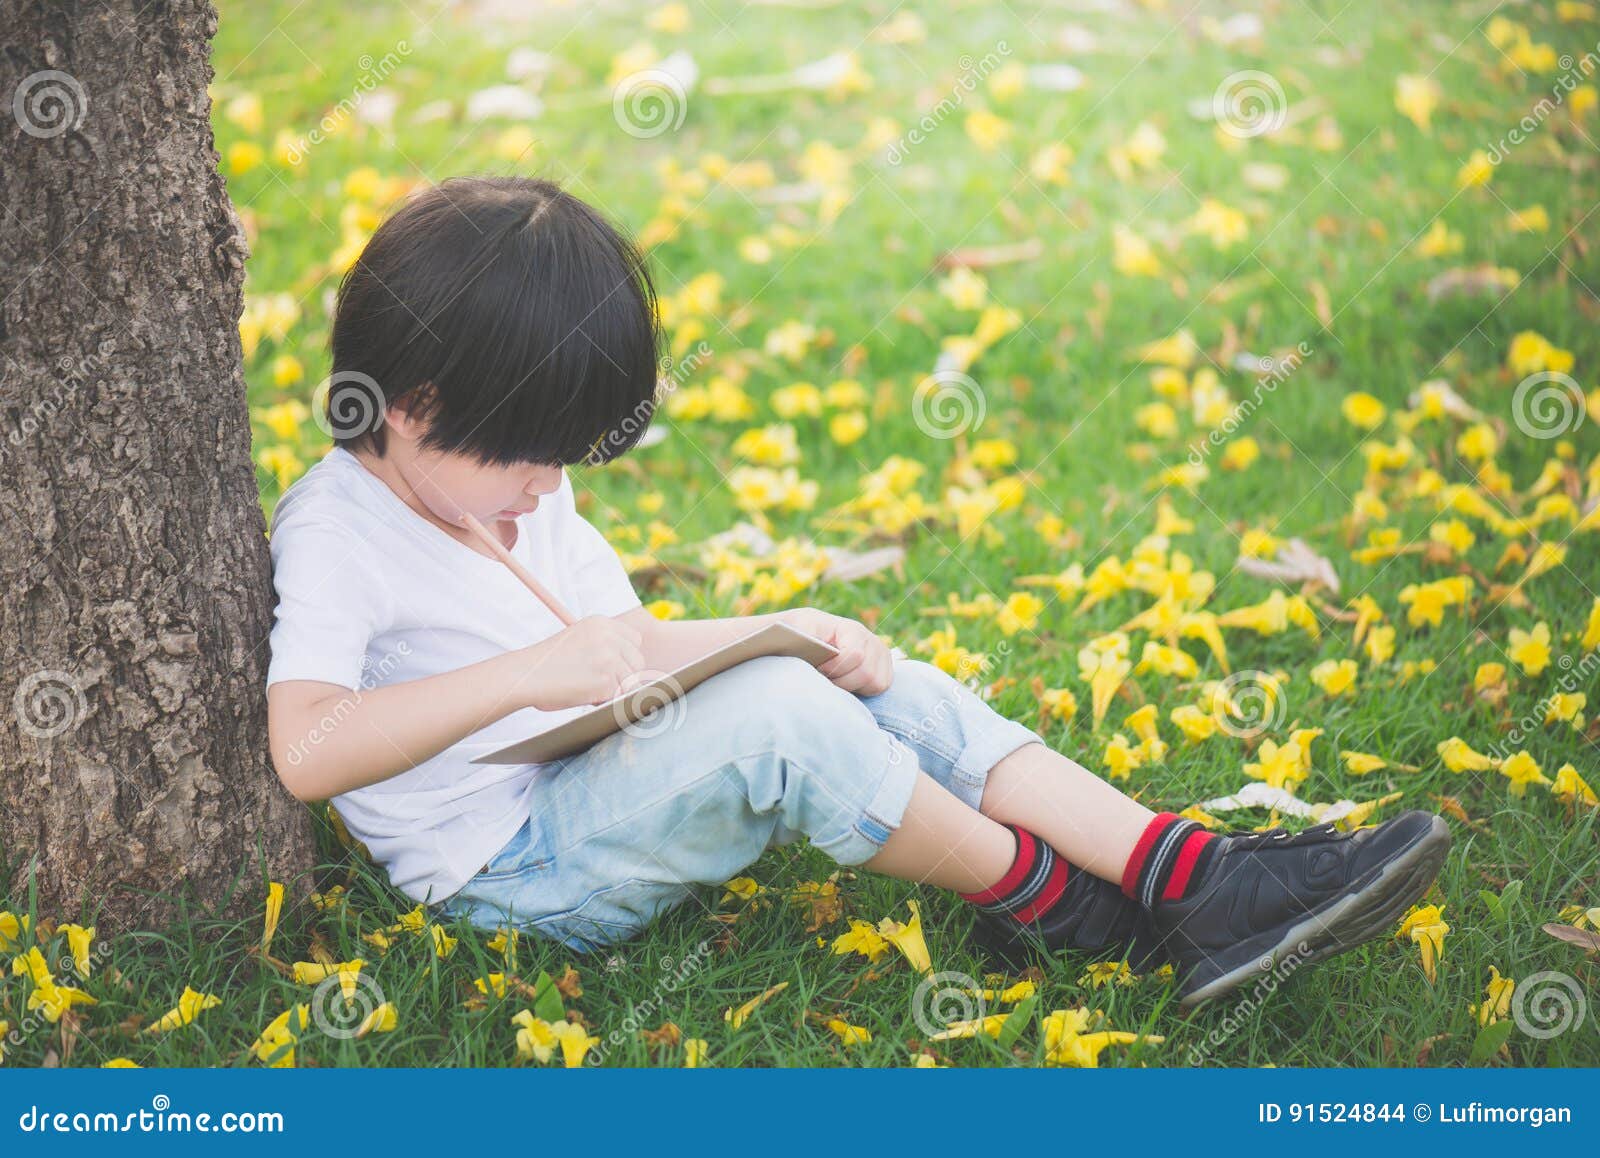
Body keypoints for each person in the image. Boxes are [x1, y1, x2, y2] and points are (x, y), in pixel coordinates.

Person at [264, 175, 1450, 1008]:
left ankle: (1186, 874)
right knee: (780, 724)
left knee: (841, 677)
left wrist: (788, 630)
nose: (547, 483)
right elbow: (307, 751)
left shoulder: (503, 492)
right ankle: (1067, 913)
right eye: (526, 452)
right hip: (517, 871)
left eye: (566, 455)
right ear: (410, 404)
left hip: (588, 770)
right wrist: (529, 674)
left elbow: (622, 649)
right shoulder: (339, 530)